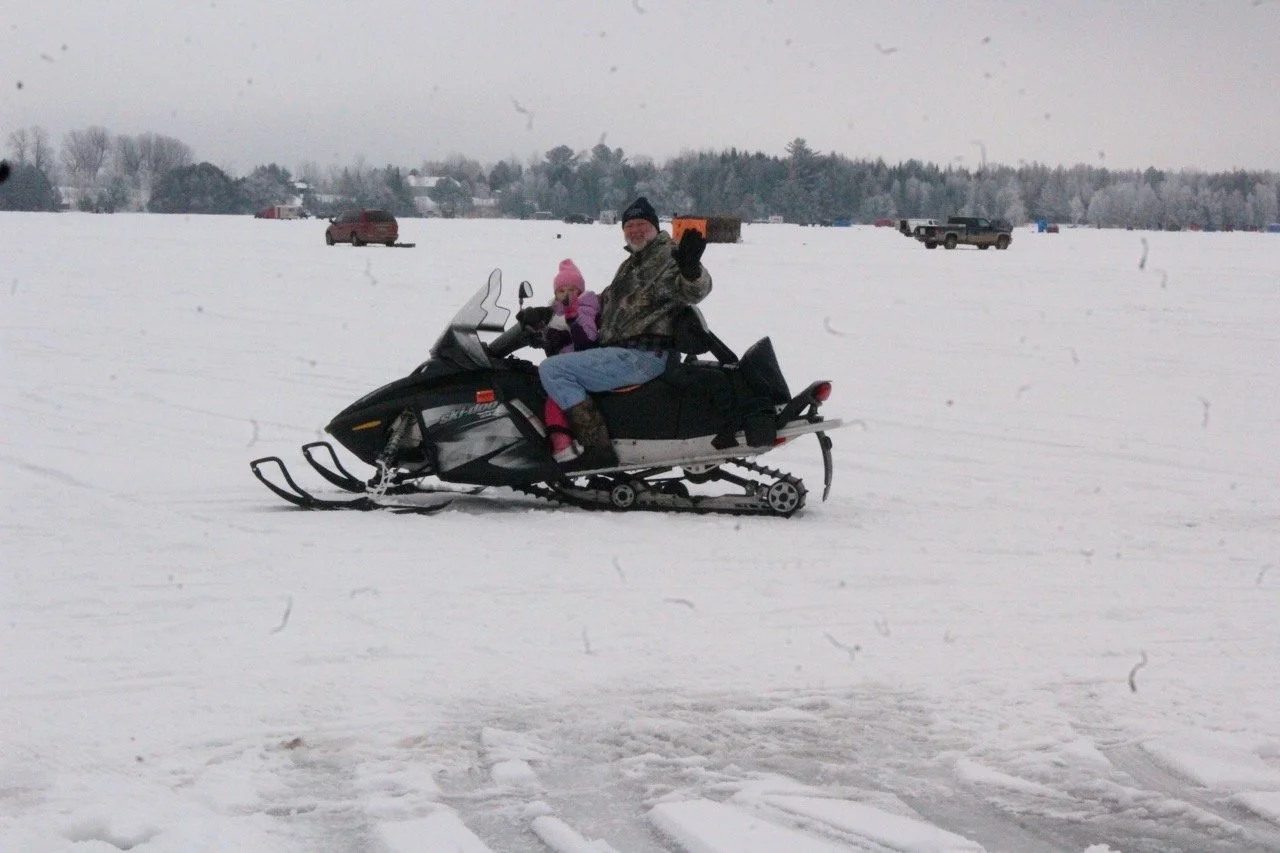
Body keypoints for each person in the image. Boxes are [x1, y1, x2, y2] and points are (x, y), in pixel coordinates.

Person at [537, 196, 711, 471]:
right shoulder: (631, 265)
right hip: (623, 353)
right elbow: (602, 302)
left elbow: (695, 290)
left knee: (553, 370)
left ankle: (597, 447)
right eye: (629, 225)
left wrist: (691, 271)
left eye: (641, 223)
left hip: (641, 354)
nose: (635, 230)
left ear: (654, 226)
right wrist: (549, 313)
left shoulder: (668, 256)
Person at [539, 259, 601, 462]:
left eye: (572, 289)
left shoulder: (585, 309)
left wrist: (574, 323)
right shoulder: (556, 311)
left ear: (580, 291)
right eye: (561, 290)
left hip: (578, 366)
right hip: (564, 363)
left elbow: (588, 339)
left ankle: (562, 444)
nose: (566, 294)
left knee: (554, 399)